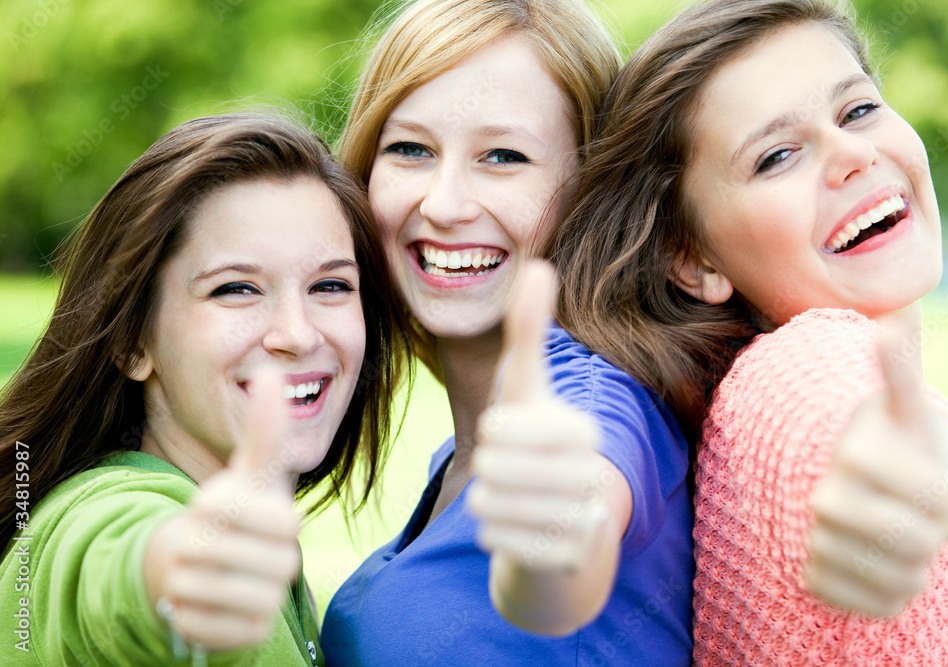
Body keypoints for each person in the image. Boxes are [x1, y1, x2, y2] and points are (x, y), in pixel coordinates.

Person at [547, 0, 948, 663]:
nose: (853, 152)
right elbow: (833, 428)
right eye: (778, 155)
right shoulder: (796, 376)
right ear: (693, 258)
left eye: (858, 110)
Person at [321, 0, 696, 664]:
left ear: (591, 188)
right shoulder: (453, 457)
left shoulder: (589, 396)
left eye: (502, 155)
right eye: (410, 148)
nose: (443, 203)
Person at [0, 112, 408, 666]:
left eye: (331, 285)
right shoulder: (98, 514)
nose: (297, 332)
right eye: (236, 288)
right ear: (131, 344)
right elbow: (113, 570)